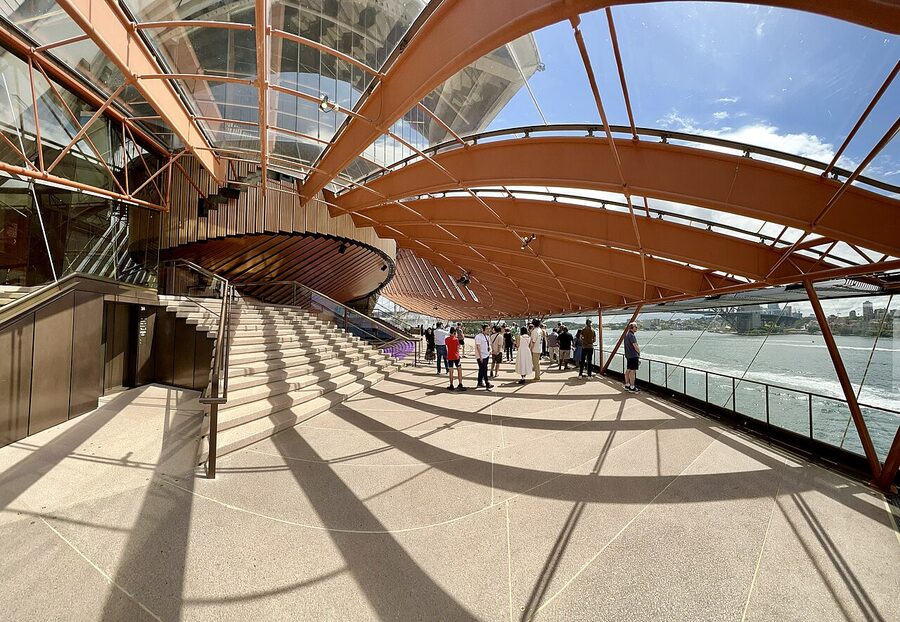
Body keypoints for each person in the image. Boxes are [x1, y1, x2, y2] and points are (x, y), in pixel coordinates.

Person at [624, 321, 641, 393]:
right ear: (631, 328)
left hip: (628, 355)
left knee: (628, 370)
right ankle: (632, 387)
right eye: (635, 327)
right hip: (633, 356)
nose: (637, 328)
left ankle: (627, 385)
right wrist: (639, 352)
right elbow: (635, 346)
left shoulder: (627, 335)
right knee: (632, 371)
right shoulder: (632, 336)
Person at [474, 324, 493, 390]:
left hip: (486, 355)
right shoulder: (478, 337)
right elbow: (478, 347)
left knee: (482, 369)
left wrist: (490, 351)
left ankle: (479, 382)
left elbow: (489, 345)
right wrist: (480, 357)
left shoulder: (487, 337)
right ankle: (487, 383)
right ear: (483, 329)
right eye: (487, 329)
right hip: (481, 356)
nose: (488, 330)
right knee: (484, 369)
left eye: (489, 329)